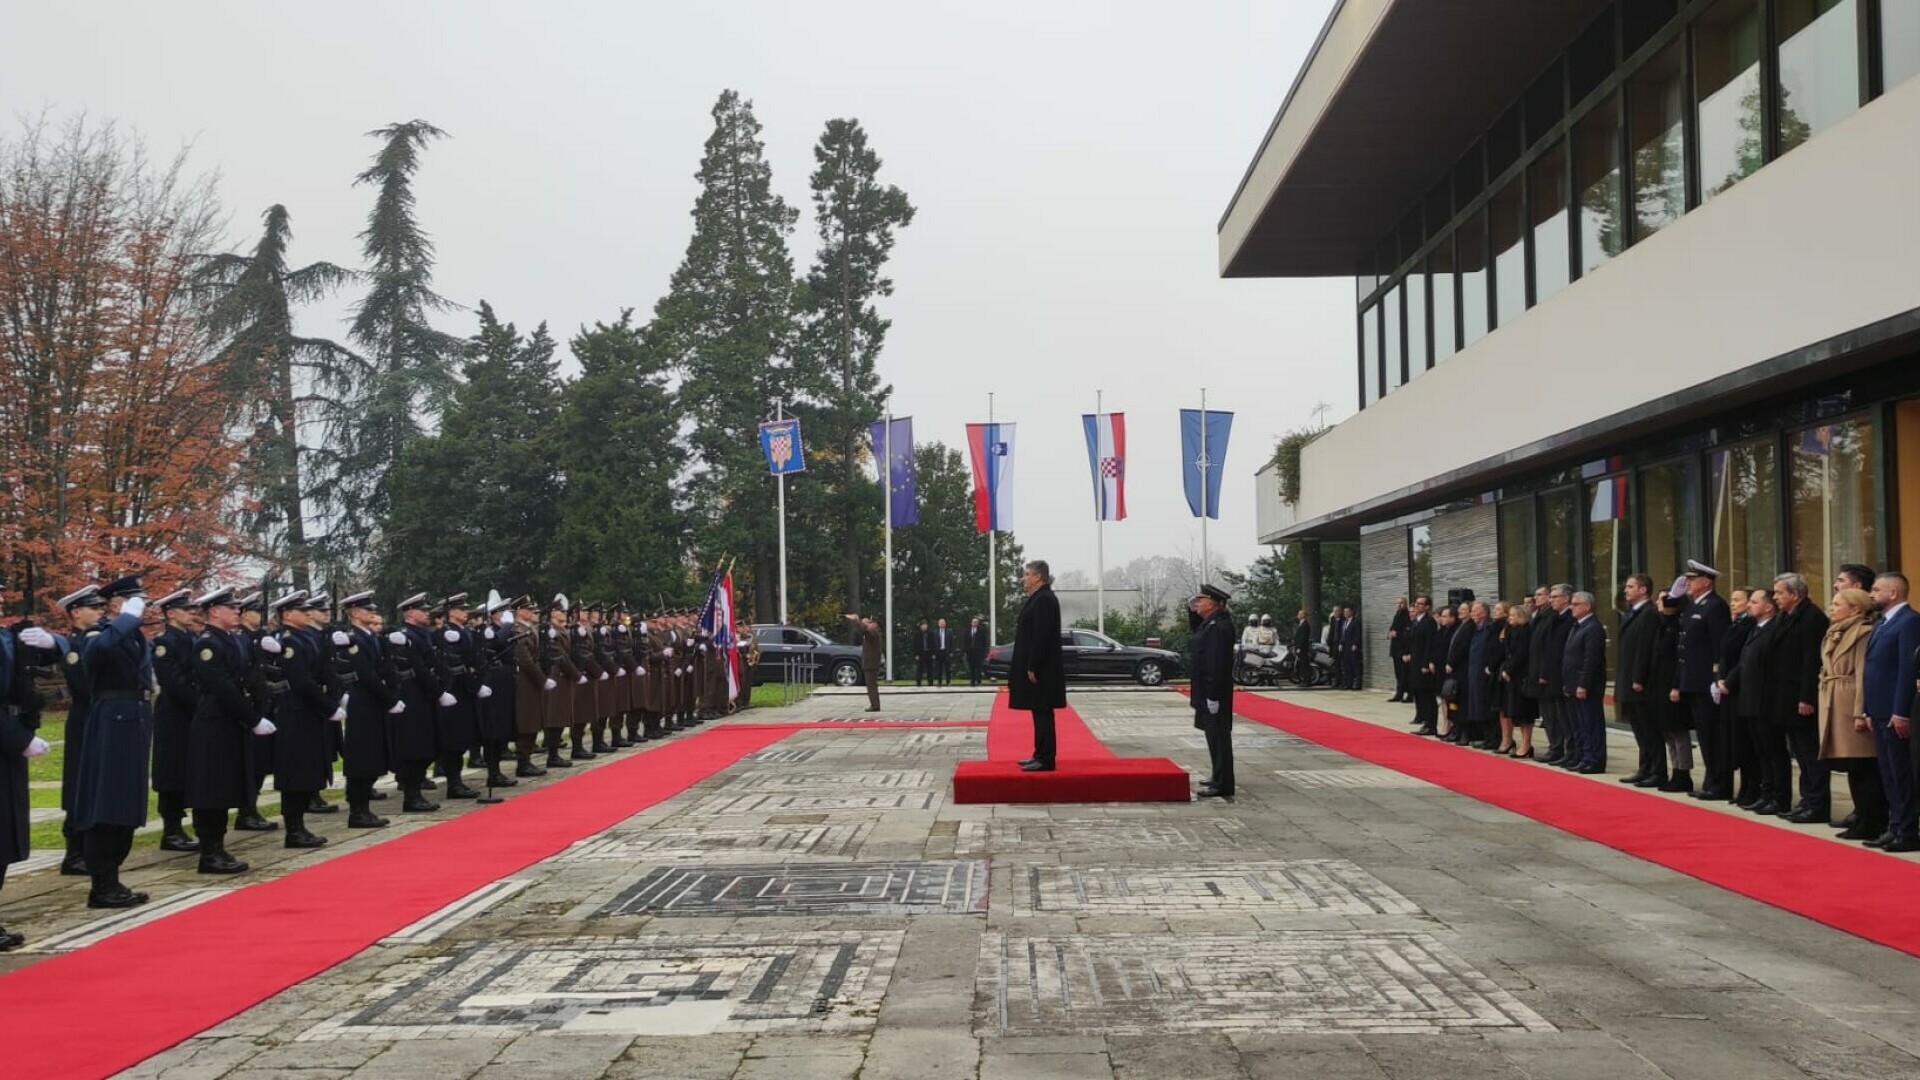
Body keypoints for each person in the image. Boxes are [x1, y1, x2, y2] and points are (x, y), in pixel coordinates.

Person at [70, 575, 154, 908]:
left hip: (135, 718)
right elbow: (100, 649)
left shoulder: (133, 635)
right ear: (117, 603)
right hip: (112, 721)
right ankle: (101, 884)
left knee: (127, 802)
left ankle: (113, 880)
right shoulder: (98, 633)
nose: (142, 606)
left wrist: (131, 624)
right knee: (107, 801)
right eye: (135, 600)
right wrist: (127, 619)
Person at [2, 616, 57, 948]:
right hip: (7, 740)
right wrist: (18, 739)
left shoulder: (7, 637)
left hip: (8, 744)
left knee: (6, 836)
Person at [1818, 588, 1886, 841]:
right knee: (1851, 767)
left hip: (1850, 704)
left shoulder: (1863, 632)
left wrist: (1860, 712)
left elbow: (1861, 675)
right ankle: (1861, 818)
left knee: (1864, 765)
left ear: (1855, 609)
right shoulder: (1834, 631)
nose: (1832, 607)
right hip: (1834, 701)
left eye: (1838, 604)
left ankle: (1872, 820)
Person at [1860, 572, 1920, 851]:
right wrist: (1867, 709)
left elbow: (1906, 671)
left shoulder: (1909, 622)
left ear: (1893, 593)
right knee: (1887, 772)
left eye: (1876, 589)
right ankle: (1894, 825)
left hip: (1895, 711)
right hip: (1879, 709)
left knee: (1901, 773)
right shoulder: (1882, 622)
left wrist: (1900, 711)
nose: (1871, 594)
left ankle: (1907, 830)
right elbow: (1872, 669)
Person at [1769, 573, 1829, 823]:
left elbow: (1810, 661)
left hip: (1801, 696)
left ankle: (1817, 803)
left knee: (1810, 751)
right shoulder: (1785, 616)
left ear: (1795, 594)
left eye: (1779, 593)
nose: (1775, 597)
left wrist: (1807, 697)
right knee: (1800, 753)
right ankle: (1807, 799)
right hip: (1785, 694)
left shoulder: (1812, 617)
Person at [149, 588, 203, 852]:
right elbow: (174, 682)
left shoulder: (192, 638)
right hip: (174, 714)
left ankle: (182, 825)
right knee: (172, 771)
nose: (192, 613)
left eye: (193, 609)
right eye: (186, 609)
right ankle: (171, 829)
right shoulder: (165, 642)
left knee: (188, 770)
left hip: (192, 713)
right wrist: (199, 702)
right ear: (171, 613)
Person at [1674, 561, 1732, 799]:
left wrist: (1718, 676)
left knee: (1713, 735)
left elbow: (1720, 646)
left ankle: (1719, 783)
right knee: (1704, 735)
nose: (1687, 583)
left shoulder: (1715, 606)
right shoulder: (1692, 605)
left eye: (1692, 579)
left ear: (1706, 581)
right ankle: (1711, 780)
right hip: (1692, 680)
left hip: (1706, 681)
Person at [1721, 588, 1782, 810]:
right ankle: (1764, 793)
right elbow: (1743, 660)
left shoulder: (1773, 628)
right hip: (1749, 697)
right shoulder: (1756, 628)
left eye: (1754, 602)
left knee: (1772, 752)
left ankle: (1777, 796)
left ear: (1768, 607)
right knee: (1759, 750)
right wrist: (1725, 679)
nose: (1748, 606)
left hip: (1763, 698)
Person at [338, 592, 395, 828]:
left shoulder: (369, 636)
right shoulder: (352, 638)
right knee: (361, 756)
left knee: (372, 755)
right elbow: (365, 673)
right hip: (362, 701)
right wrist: (388, 698)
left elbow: (382, 666)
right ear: (354, 613)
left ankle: (364, 808)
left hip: (373, 702)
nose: (371, 612)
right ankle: (357, 810)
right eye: (365, 609)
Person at [1008, 560, 1064, 772]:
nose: (1024, 579)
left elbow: (1041, 636)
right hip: (1038, 667)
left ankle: (1046, 759)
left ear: (1038, 577)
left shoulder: (1044, 600)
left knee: (1043, 712)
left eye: (1027, 574)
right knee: (1038, 711)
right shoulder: (1038, 598)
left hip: (1042, 670)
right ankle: (1039, 754)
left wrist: (1033, 665)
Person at [1188, 583, 1237, 798]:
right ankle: (1218, 777)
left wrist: (1213, 695)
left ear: (1213, 603)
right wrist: (1190, 610)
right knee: (1213, 737)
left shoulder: (1218, 627)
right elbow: (1196, 629)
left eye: (1201, 599)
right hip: (1207, 691)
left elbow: (1215, 664)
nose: (1197, 603)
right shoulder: (1210, 623)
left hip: (1213, 691)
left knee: (1219, 738)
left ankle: (1223, 783)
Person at [1615, 574, 1663, 787]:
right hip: (1628, 678)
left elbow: (1646, 649)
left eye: (1631, 586)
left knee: (1649, 729)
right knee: (1639, 729)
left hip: (1640, 682)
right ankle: (1645, 767)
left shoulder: (1649, 614)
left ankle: (1657, 770)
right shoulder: (1630, 614)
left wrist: (1638, 678)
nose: (1626, 590)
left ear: (1643, 590)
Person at [1561, 591, 1608, 773]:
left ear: (1587, 606)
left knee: (1592, 723)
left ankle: (1595, 759)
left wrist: (1583, 684)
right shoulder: (1577, 626)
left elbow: (1591, 659)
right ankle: (1584, 755)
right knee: (1580, 724)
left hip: (1587, 686)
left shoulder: (1593, 627)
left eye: (1575, 604)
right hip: (1573, 683)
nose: (1572, 607)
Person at [1499, 603, 1535, 757]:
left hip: (1521, 676)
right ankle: (1521, 743)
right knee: (1515, 712)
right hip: (1511, 676)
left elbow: (1521, 654)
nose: (1509, 618)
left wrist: (1509, 669)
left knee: (1524, 712)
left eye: (1513, 615)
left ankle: (1526, 744)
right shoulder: (1511, 631)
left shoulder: (1525, 631)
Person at [1402, 596, 1437, 735]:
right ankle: (1423, 720)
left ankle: (1430, 724)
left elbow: (1429, 644)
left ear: (1427, 606)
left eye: (1420, 604)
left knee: (1427, 694)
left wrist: (1426, 663)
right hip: (1415, 662)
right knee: (1419, 692)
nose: (1417, 606)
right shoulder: (1416, 621)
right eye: (1416, 603)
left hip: (1423, 663)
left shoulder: (1429, 622)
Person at [843, 613, 884, 711]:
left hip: (871, 663)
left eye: (871, 622)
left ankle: (875, 705)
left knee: (871, 685)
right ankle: (875, 704)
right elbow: (863, 629)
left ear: (875, 624)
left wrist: (857, 620)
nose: (869, 623)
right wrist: (861, 622)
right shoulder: (872, 632)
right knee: (871, 685)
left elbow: (865, 629)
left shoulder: (873, 632)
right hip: (870, 662)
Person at [1388, 597, 1412, 702]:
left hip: (1403, 648)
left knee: (1405, 673)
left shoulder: (1407, 615)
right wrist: (1389, 633)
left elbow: (1407, 632)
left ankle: (1408, 693)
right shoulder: (1397, 614)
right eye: (1397, 603)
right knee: (1398, 673)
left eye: (1401, 603)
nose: (1399, 605)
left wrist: (1397, 634)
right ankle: (1399, 693)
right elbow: (1393, 627)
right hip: (1395, 648)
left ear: (1405, 604)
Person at [1339, 605, 1363, 689]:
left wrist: (1356, 644)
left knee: (1355, 665)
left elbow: (1358, 634)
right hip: (1345, 646)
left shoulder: (1356, 622)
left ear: (1352, 612)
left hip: (1352, 646)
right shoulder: (1344, 622)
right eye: (1345, 612)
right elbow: (1343, 634)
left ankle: (1357, 684)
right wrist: (1341, 644)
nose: (1346, 613)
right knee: (1347, 665)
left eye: (1347, 611)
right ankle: (1349, 683)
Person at [965, 616, 990, 687]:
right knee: (971, 667)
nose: (974, 623)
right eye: (973, 622)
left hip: (979, 652)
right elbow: (965, 641)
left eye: (976, 622)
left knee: (978, 667)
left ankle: (978, 681)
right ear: (971, 623)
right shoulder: (968, 631)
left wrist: (985, 652)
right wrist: (965, 650)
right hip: (970, 652)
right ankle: (972, 681)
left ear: (978, 623)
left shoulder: (981, 631)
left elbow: (985, 642)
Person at [933, 618, 954, 685]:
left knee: (948, 668)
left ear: (945, 624)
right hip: (938, 652)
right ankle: (939, 682)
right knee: (939, 668)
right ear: (938, 624)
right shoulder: (935, 632)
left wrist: (951, 652)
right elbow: (933, 643)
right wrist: (933, 653)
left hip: (946, 652)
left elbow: (952, 642)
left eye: (943, 622)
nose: (942, 624)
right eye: (941, 622)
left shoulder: (949, 632)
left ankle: (948, 681)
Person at [914, 619, 934, 687]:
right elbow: (914, 645)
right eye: (923, 625)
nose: (924, 627)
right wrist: (916, 654)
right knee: (919, 669)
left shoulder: (931, 634)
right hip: (920, 654)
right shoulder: (917, 634)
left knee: (930, 669)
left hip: (929, 653)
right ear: (920, 626)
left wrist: (933, 654)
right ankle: (918, 682)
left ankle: (930, 682)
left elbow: (933, 644)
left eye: (925, 625)